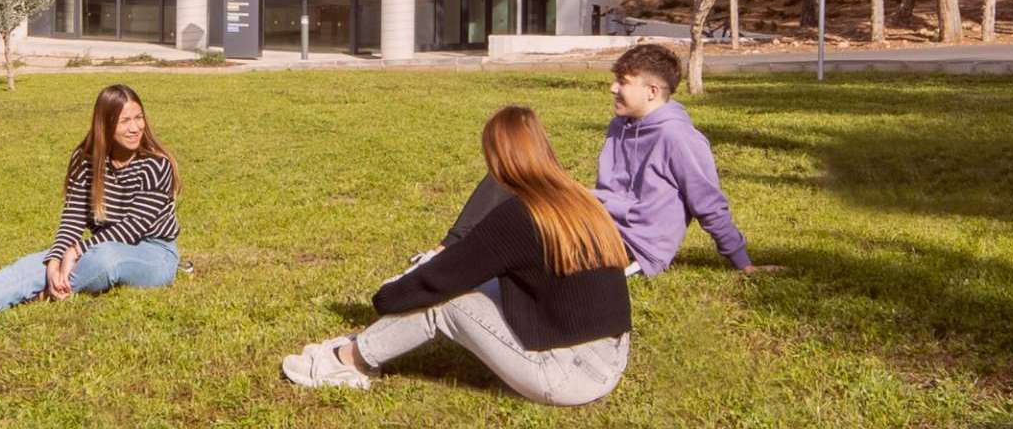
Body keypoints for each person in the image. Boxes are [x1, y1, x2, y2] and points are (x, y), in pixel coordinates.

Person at [282, 105, 632, 403]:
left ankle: (348, 360)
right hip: (609, 358)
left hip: (569, 377)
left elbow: (439, 280)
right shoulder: (577, 199)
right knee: (488, 285)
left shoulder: (520, 216)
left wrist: (385, 298)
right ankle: (365, 346)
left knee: (446, 302)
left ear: (497, 158)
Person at [439, 43, 768, 277]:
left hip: (628, 247)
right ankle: (444, 254)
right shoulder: (620, 126)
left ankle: (454, 268)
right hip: (595, 221)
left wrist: (743, 262)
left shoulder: (679, 139)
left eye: (623, 82)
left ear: (652, 91)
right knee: (511, 176)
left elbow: (709, 205)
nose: (613, 88)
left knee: (524, 242)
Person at [0, 83, 181, 319]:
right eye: (125, 120)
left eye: (139, 117)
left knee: (107, 259)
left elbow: (133, 227)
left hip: (153, 253)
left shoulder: (156, 165)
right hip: (97, 248)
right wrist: (57, 256)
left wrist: (78, 250)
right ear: (105, 125)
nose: (135, 128)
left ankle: (38, 295)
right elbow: (72, 218)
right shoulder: (85, 162)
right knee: (40, 263)